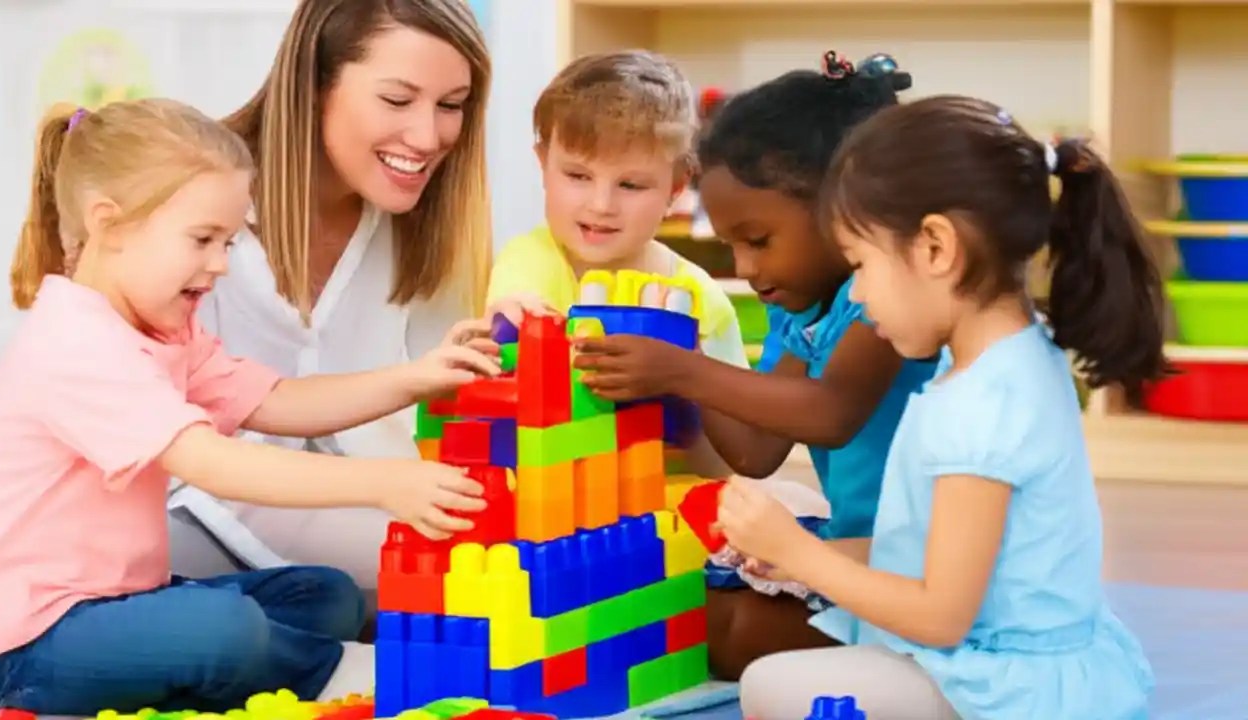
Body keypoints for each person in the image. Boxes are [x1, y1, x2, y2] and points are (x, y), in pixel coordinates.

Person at [0, 99, 499, 716]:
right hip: (21, 643)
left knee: (325, 594)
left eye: (228, 240)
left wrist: (414, 378)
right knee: (224, 628)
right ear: (109, 225)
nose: (220, 264)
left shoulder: (163, 330)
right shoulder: (77, 342)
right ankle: (333, 671)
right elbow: (213, 464)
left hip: (115, 602)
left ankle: (245, 664)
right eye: (202, 239)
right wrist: (385, 482)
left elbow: (277, 400)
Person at [721, 95, 1163, 719]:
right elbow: (929, 551)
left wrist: (802, 555)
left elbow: (940, 617)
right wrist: (799, 554)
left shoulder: (981, 405)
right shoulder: (1008, 360)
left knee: (768, 686)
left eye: (861, 266)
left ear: (934, 247)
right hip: (1026, 663)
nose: (858, 295)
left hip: (1008, 691)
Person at [571, 52, 935, 679]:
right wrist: (681, 359)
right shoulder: (804, 307)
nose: (745, 268)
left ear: (844, 210)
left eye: (759, 241)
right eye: (731, 244)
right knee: (670, 601)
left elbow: (832, 414)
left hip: (926, 566)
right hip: (857, 547)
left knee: (729, 632)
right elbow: (757, 450)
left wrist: (682, 370)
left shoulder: (886, 299)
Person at [168, 0, 525, 593]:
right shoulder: (194, 205)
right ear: (315, 83)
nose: (428, 137)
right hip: (187, 515)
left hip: (343, 520)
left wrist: (509, 347)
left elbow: (437, 402)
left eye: (451, 106)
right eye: (397, 100)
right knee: (477, 582)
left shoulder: (418, 222)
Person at [485, 49, 745, 479]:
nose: (602, 205)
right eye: (578, 176)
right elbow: (511, 334)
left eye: (631, 184)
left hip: (671, 498)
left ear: (676, 188)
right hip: (553, 496)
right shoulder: (528, 262)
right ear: (543, 165)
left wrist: (685, 395)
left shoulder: (702, 300)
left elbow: (732, 464)